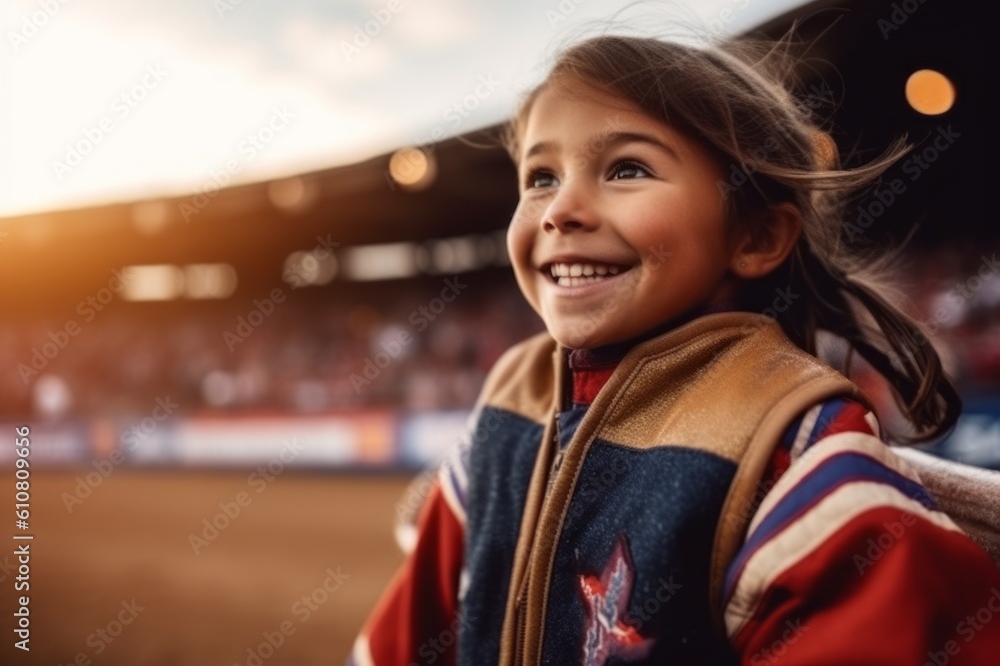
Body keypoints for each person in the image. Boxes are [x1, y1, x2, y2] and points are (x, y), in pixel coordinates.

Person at [349, 32, 1000, 665]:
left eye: (627, 168)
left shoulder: (794, 447)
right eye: (540, 176)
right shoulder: (509, 402)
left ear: (754, 235)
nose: (559, 209)